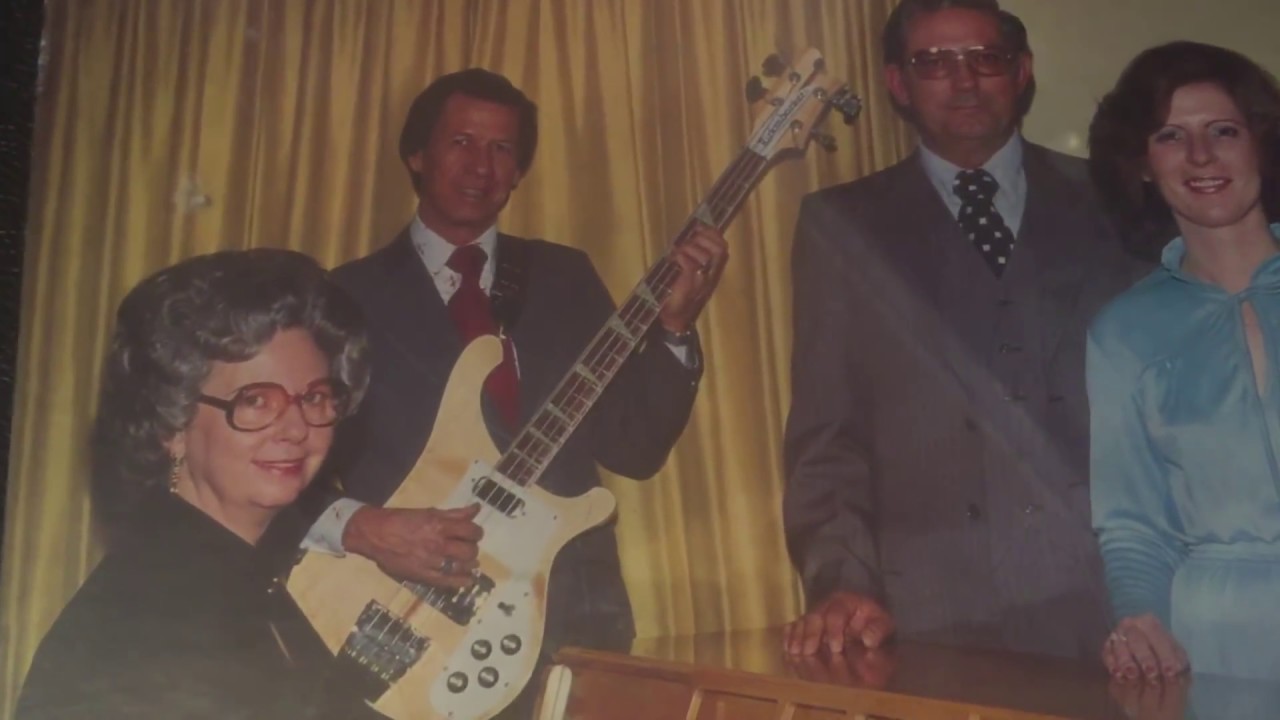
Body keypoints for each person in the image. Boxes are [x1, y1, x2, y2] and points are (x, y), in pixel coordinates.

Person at [296, 68, 728, 717]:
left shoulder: (565, 275)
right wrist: (364, 529)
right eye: (461, 142)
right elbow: (291, 469)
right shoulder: (342, 298)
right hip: (406, 625)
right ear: (416, 155)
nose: (482, 166)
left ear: (520, 169)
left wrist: (673, 328)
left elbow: (635, 449)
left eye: (502, 149)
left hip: (572, 618)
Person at [782, 0, 1144, 660]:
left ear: (1023, 72)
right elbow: (826, 435)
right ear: (898, 83)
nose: (965, 79)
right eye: (934, 63)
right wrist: (840, 582)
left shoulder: (1117, 202)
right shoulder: (841, 224)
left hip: (1111, 609)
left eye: (986, 58)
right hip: (925, 614)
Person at [16, 249, 379, 719]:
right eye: (254, 401)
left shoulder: (247, 579)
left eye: (314, 397)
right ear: (173, 423)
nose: (295, 429)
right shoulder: (149, 619)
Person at [1087, 41, 1280, 684]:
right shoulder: (1124, 333)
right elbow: (1133, 523)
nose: (1201, 155)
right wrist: (1139, 619)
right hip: (1218, 644)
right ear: (1142, 164)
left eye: (1223, 130)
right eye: (1171, 135)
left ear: (1260, 142)